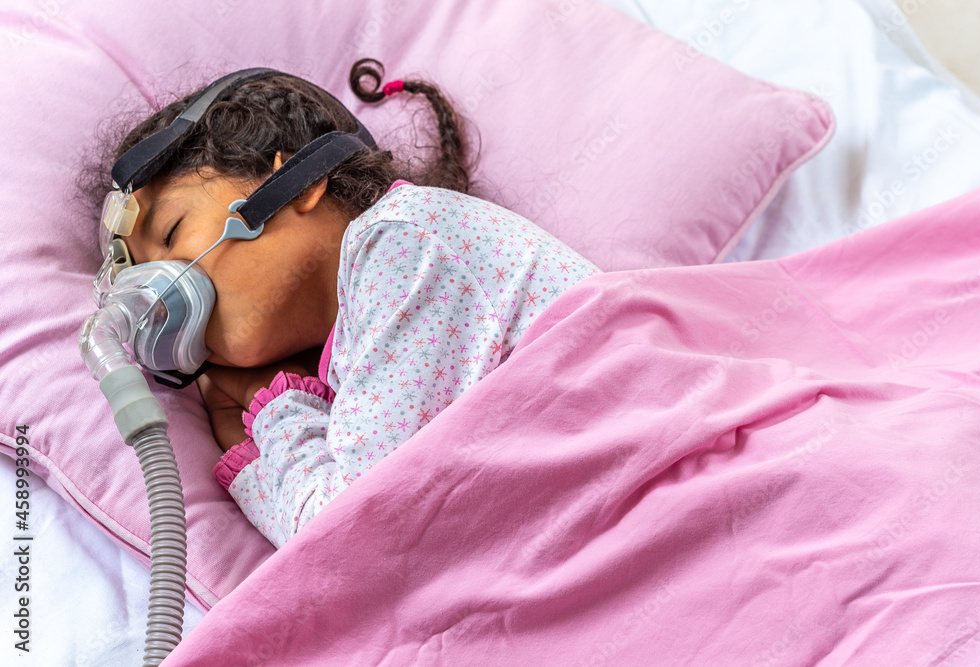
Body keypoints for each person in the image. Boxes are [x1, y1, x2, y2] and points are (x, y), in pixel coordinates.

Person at [77, 59, 603, 548]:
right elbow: (327, 553)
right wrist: (247, 423)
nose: (168, 287)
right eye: (144, 274)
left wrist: (272, 408)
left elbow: (347, 532)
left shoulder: (407, 242)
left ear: (298, 181)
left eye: (171, 232)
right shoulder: (346, 370)